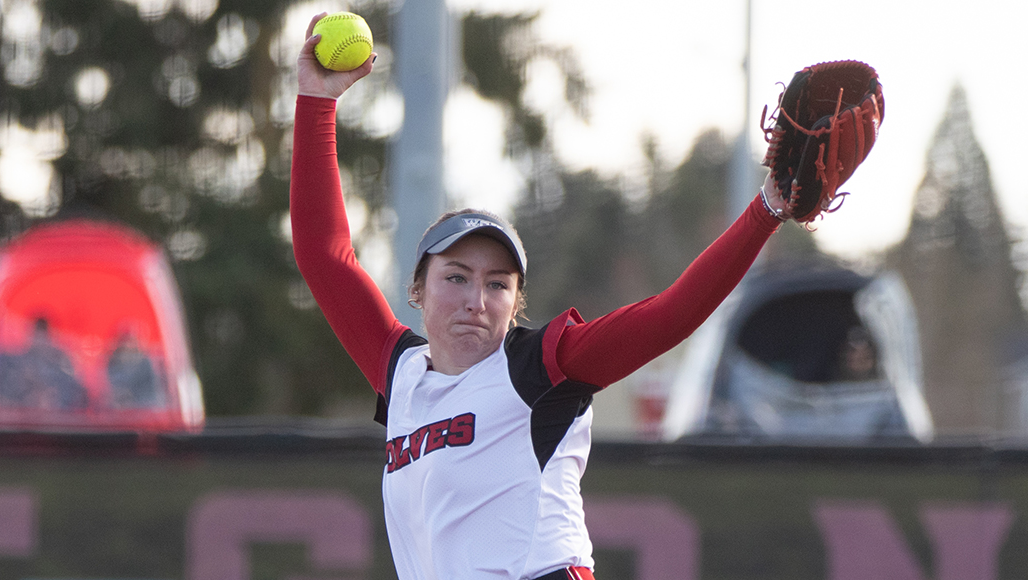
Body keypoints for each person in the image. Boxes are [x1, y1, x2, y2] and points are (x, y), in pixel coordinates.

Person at [291, 12, 791, 580]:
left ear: (515, 302)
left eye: (497, 283)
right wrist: (317, 101)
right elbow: (322, 255)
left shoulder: (539, 369)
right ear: (417, 292)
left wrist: (765, 211)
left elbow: (670, 314)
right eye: (455, 276)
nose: (475, 298)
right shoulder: (403, 375)